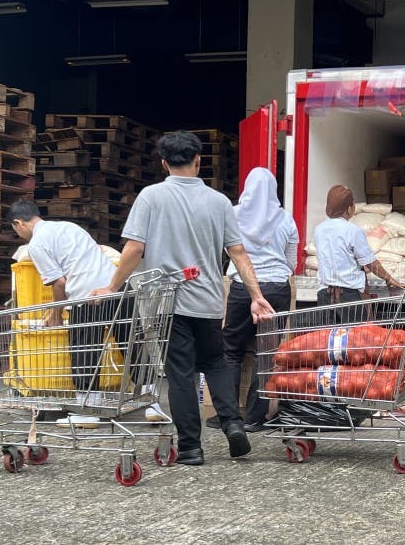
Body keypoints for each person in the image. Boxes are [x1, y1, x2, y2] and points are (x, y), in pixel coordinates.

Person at [91, 130, 275, 466]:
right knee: (216, 363)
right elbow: (237, 252)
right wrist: (256, 295)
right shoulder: (219, 202)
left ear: (164, 163)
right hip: (206, 300)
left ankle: (191, 447)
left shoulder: (150, 197)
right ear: (198, 162)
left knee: (180, 373)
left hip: (167, 304)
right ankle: (233, 422)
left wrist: (112, 286)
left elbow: (134, 248)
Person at [7, 201, 165, 427]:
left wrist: (56, 313)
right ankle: (152, 404)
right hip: (117, 287)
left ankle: (88, 408)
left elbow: (59, 283)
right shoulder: (69, 227)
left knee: (85, 349)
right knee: (133, 344)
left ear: (18, 223)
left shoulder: (37, 244)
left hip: (87, 295)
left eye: (16, 229)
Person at [219, 167, 298, 433]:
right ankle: (255, 418)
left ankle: (228, 416)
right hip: (276, 289)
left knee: (232, 351)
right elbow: (291, 262)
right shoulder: (285, 219)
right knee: (266, 354)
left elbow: (223, 248)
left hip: (242, 288)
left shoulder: (232, 214)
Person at [313, 185, 404, 322]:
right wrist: (388, 278)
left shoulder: (319, 230)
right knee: (358, 340)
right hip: (349, 297)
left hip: (325, 295)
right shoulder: (353, 231)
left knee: (329, 340)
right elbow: (370, 262)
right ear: (349, 209)